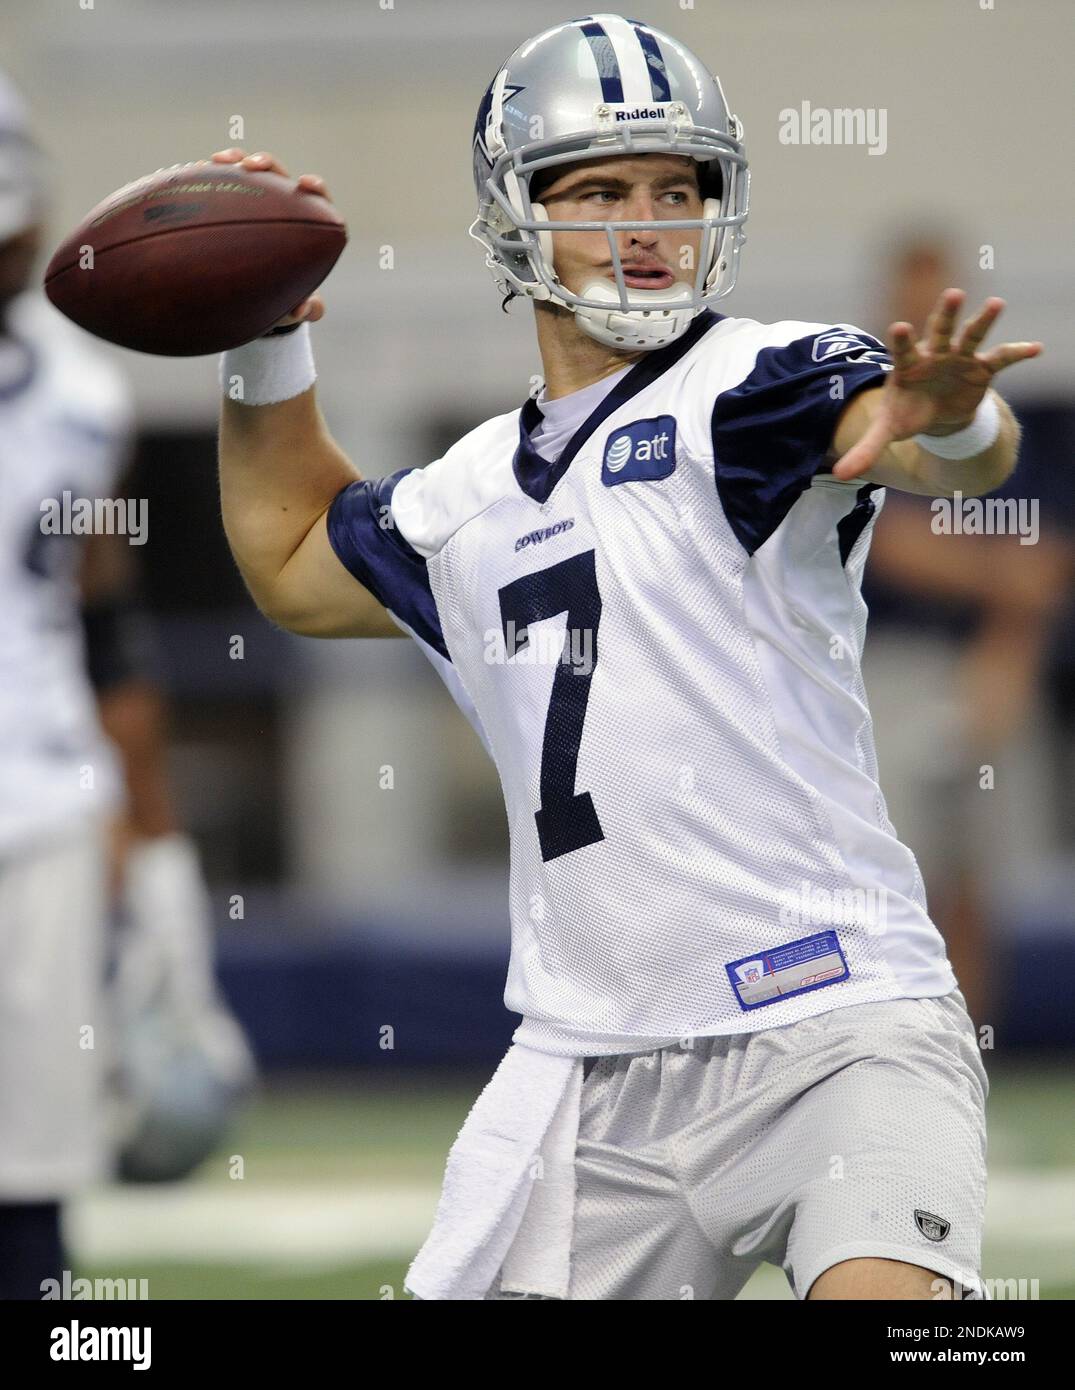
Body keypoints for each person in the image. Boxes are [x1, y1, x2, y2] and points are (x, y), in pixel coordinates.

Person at [211, 14, 1040, 1301]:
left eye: (676, 187)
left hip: (835, 1023)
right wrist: (266, 338)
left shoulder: (751, 384)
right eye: (599, 190)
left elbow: (931, 433)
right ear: (514, 211)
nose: (646, 223)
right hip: (590, 1060)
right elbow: (290, 559)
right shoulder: (467, 493)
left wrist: (952, 414)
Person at [0, 68, 251, 1299]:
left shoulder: (81, 396)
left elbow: (107, 631)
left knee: (34, 1169)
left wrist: (159, 875)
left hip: (43, 802)